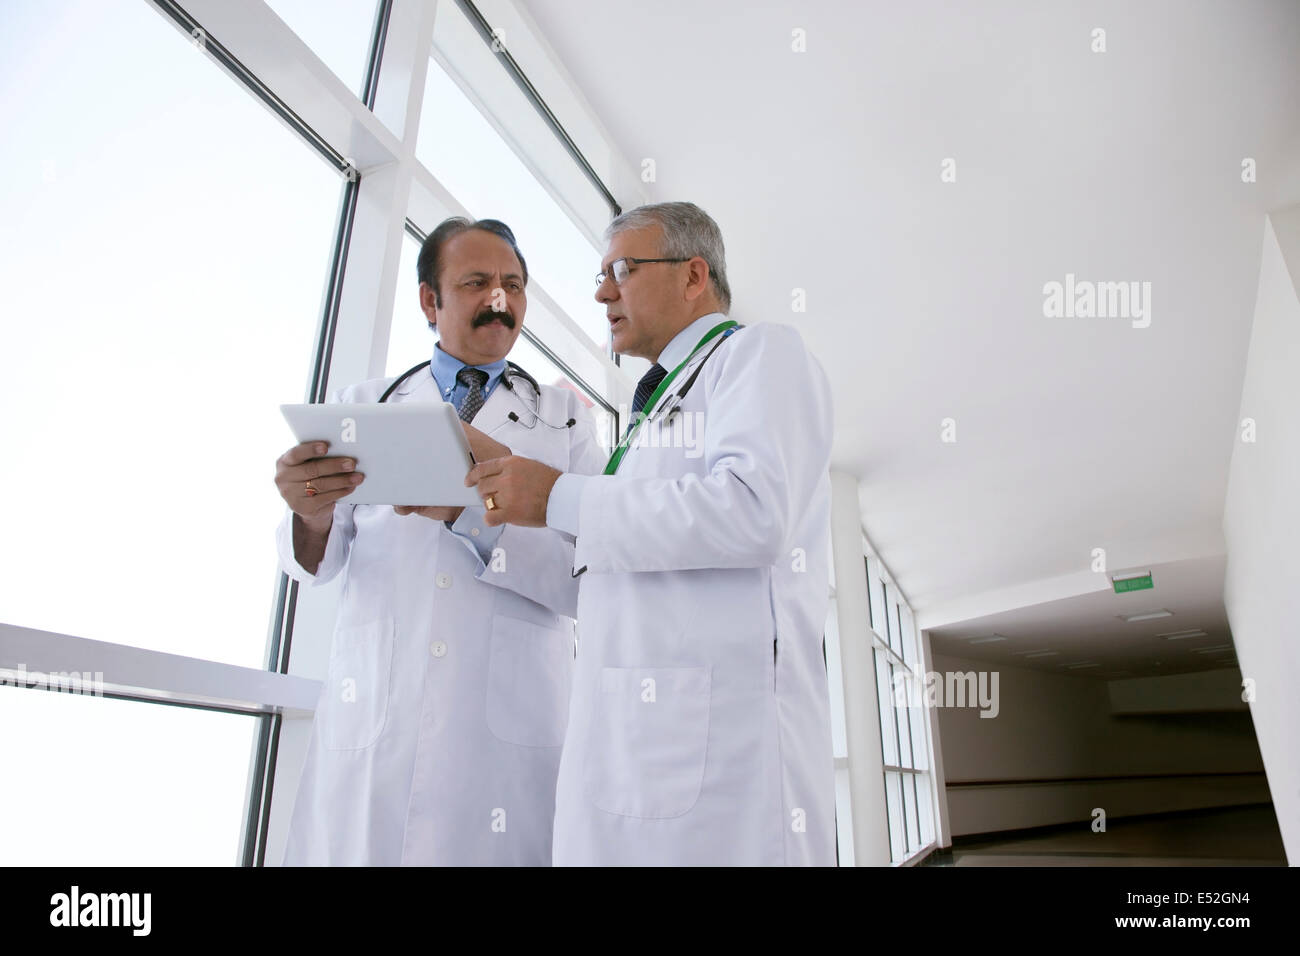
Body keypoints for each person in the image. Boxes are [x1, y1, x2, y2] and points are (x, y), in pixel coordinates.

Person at [466, 202, 837, 865]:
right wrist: (474, 515)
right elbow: (604, 577)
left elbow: (754, 511)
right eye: (601, 276)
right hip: (636, 752)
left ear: (694, 275)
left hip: (724, 771)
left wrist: (558, 495)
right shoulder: (653, 412)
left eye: (621, 270)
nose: (603, 291)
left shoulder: (758, 353)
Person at [272, 217, 606, 865]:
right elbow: (320, 561)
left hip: (511, 733)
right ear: (431, 300)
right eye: (477, 283)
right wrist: (307, 513)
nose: (500, 301)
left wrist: (473, 518)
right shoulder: (364, 405)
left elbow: (588, 577)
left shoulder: (563, 422)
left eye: (513, 284)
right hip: (378, 715)